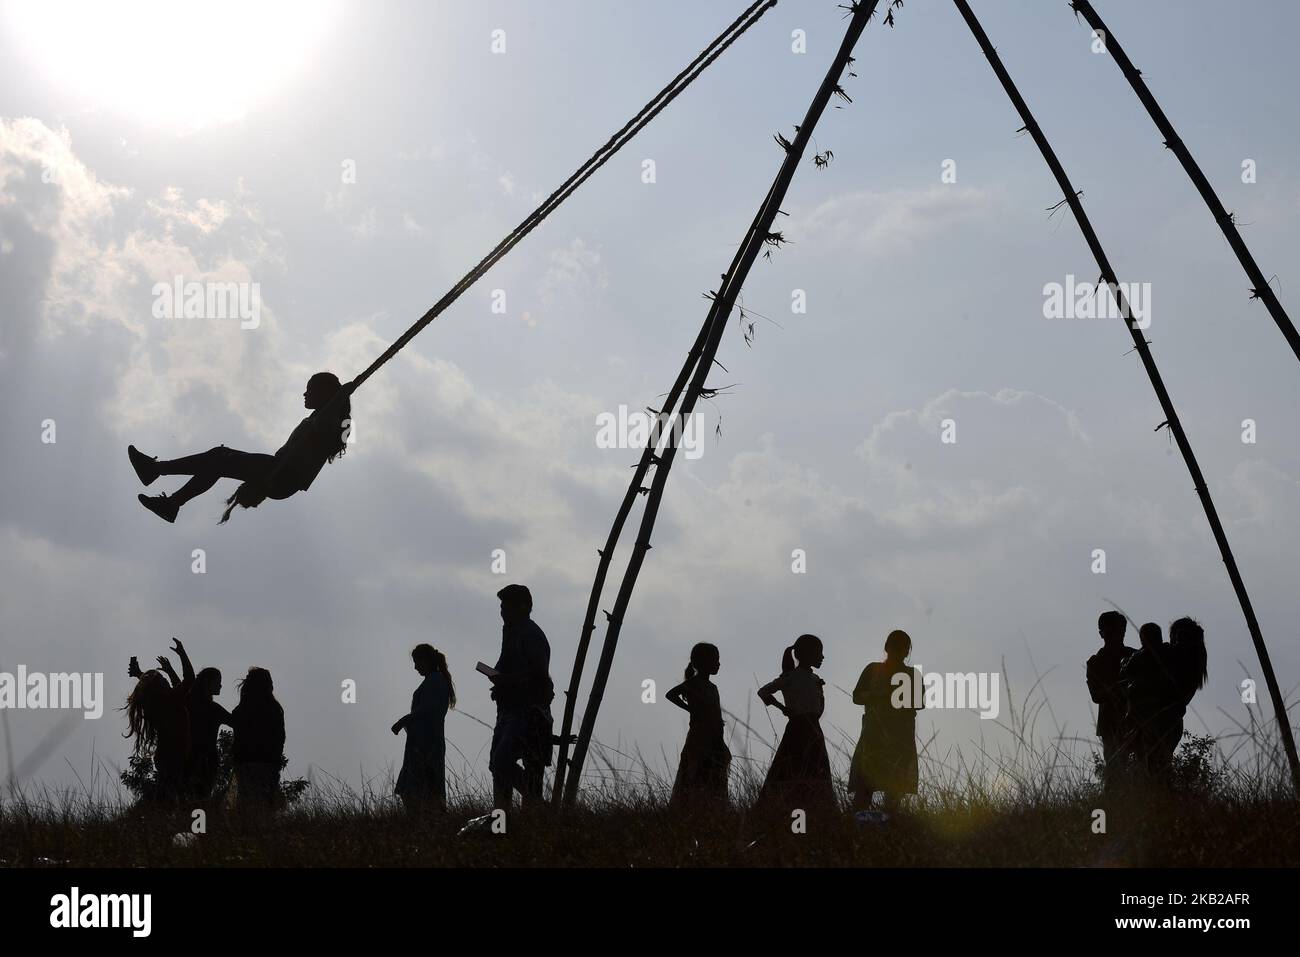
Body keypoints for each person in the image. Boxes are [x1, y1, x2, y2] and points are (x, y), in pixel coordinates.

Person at [127, 371, 353, 524]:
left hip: (284, 476)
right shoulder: (319, 418)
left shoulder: (330, 421)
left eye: (310, 390)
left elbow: (328, 424)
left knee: (219, 457)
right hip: (279, 471)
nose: (304, 394)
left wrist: (341, 394)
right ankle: (170, 500)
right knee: (216, 461)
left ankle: (157, 472)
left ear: (325, 394)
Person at [487, 584, 554, 812]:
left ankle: (537, 805)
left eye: (507, 607)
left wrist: (508, 682)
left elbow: (538, 674)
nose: (503, 612)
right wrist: (498, 680)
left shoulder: (530, 634)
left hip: (528, 710)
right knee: (498, 766)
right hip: (509, 709)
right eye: (502, 607)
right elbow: (503, 665)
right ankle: (502, 822)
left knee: (504, 762)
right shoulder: (512, 632)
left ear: (523, 607)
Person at [756, 634, 835, 814]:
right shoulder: (790, 677)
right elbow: (764, 692)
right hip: (798, 729)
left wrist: (820, 692)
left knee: (816, 770)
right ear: (807, 654)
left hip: (813, 729)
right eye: (818, 653)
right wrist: (783, 708)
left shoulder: (815, 680)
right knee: (792, 768)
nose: (822, 657)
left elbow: (819, 709)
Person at [848, 629, 922, 815]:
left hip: (899, 735)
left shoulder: (912, 674)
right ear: (887, 647)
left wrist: (897, 697)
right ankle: (857, 826)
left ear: (907, 651)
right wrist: (878, 695)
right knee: (865, 785)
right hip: (874, 734)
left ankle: (889, 827)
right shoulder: (873, 669)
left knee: (894, 789)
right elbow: (857, 696)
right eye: (897, 647)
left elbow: (919, 702)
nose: (900, 651)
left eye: (903, 648)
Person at [124, 642, 193, 802]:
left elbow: (162, 685)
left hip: (166, 755)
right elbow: (189, 680)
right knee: (172, 796)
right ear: (160, 687)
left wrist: (140, 674)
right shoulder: (168, 701)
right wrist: (182, 653)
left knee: (168, 794)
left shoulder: (159, 702)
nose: (165, 680)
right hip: (173, 755)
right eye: (163, 680)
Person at [665, 642, 731, 809]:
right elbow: (671, 694)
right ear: (702, 662)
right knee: (696, 771)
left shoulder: (712, 687)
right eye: (714, 660)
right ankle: (690, 807)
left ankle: (712, 807)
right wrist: (690, 708)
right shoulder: (694, 683)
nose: (718, 664)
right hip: (700, 737)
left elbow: (716, 714)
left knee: (714, 772)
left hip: (715, 735)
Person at [393, 643, 455, 810]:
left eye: (417, 662)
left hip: (426, 744)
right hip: (423, 743)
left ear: (427, 660)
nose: (415, 667)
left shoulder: (435, 681)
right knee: (423, 791)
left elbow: (428, 711)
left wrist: (404, 720)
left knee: (418, 792)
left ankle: (423, 828)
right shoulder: (435, 681)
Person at [169, 638, 232, 800]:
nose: (220, 686)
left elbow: (181, 683)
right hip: (205, 761)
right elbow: (237, 722)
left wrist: (179, 658)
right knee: (201, 800)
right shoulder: (213, 709)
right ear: (208, 683)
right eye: (218, 682)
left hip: (187, 759)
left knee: (185, 802)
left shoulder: (189, 702)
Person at [1120, 622, 1182, 780]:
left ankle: (1158, 794)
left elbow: (1127, 669)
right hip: (1168, 715)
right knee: (1160, 760)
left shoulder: (1143, 655)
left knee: (1151, 762)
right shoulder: (1172, 653)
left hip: (1150, 716)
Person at [1086, 611, 1136, 779]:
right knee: (1115, 771)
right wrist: (1121, 687)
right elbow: (1096, 696)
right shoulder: (1095, 662)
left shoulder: (1135, 656)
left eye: (1120, 630)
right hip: (1111, 724)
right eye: (1111, 630)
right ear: (1102, 633)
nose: (1117, 634)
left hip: (1137, 721)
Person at [229, 667, 286, 810]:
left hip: (245, 763)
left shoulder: (241, 709)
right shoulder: (273, 709)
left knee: (247, 803)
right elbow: (280, 737)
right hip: (266, 763)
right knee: (265, 804)